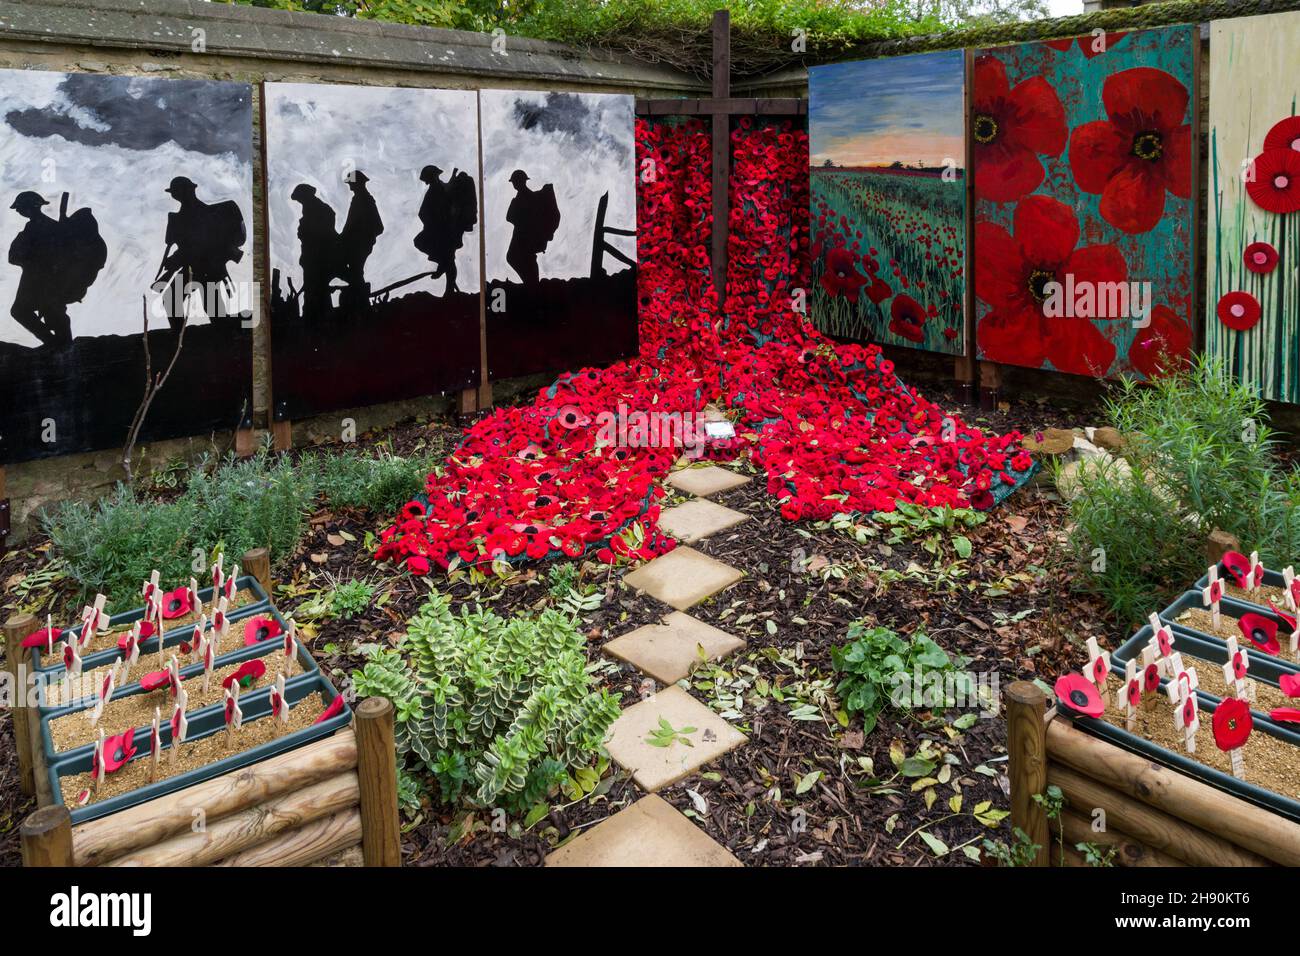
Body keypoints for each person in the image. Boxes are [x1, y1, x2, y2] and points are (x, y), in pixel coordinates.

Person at [7, 190, 106, 347]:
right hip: (40, 277)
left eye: (20, 207)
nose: (18, 211)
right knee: (44, 311)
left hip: (44, 278)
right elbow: (14, 256)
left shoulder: (40, 227)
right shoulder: (42, 226)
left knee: (39, 311)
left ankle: (58, 345)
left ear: (28, 207)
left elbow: (56, 252)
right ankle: (56, 344)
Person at [153, 176, 247, 329]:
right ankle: (179, 336)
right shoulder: (181, 218)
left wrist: (175, 260)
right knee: (172, 300)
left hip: (208, 269)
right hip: (194, 269)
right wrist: (174, 260)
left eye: (178, 191)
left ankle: (233, 330)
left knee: (214, 312)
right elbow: (187, 247)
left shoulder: (207, 215)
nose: (176, 195)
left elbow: (197, 246)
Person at [414, 164, 477, 295]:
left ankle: (449, 289)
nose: (426, 181)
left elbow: (444, 209)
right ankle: (443, 267)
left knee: (447, 258)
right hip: (441, 229)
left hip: (446, 230)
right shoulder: (439, 188)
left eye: (427, 178)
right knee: (446, 258)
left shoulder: (441, 189)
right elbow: (425, 212)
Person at [290, 183, 339, 320]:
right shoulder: (311, 208)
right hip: (312, 256)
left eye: (300, 198)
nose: (300, 202)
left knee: (317, 289)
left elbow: (323, 228)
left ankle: (317, 318)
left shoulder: (319, 208)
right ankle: (315, 315)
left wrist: (307, 231)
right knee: (314, 289)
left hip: (318, 256)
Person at [505, 169, 559, 285]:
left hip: (525, 237)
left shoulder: (528, 198)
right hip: (522, 237)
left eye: (515, 181)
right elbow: (509, 217)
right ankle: (531, 284)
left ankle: (531, 285)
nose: (514, 184)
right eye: (513, 182)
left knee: (518, 257)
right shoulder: (522, 198)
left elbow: (512, 217)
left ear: (521, 181)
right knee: (519, 258)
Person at [339, 170, 383, 297]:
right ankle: (358, 295)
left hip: (360, 244)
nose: (350, 186)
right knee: (355, 271)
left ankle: (359, 297)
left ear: (357, 183)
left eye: (351, 183)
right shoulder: (359, 199)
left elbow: (378, 226)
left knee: (355, 270)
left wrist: (364, 236)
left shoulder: (364, 200)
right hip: (355, 243)